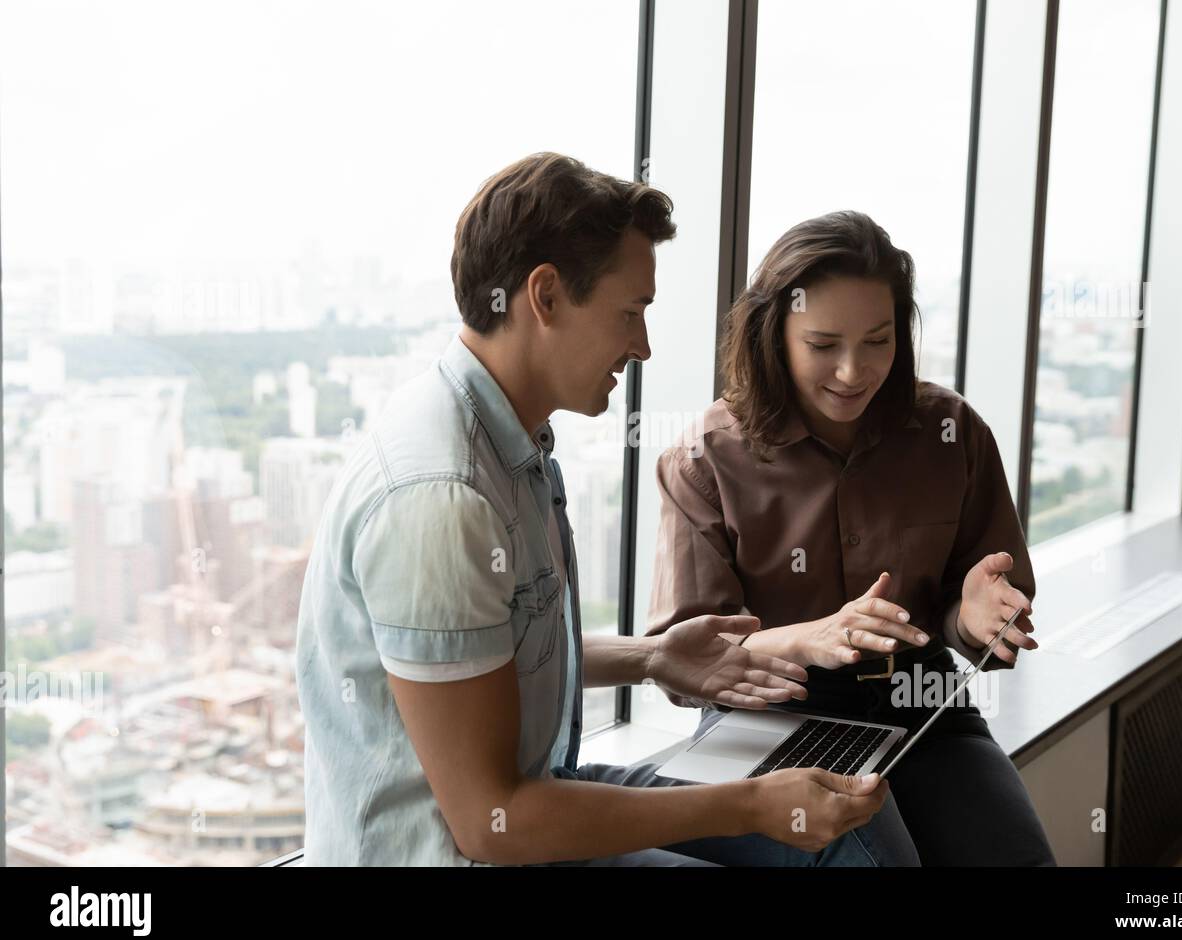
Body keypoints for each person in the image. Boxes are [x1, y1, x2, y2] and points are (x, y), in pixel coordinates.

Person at [294, 154, 918, 866]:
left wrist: (654, 658)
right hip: (476, 847)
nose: (643, 346)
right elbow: (491, 821)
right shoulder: (443, 498)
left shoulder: (507, 446)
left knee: (856, 832)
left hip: (543, 791)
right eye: (631, 312)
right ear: (547, 297)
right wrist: (751, 804)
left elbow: (487, 662)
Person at [646, 210, 1057, 865]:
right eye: (823, 344)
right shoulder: (705, 459)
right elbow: (684, 666)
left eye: (878, 340)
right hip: (770, 716)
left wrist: (975, 617)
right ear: (772, 332)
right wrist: (810, 638)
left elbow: (968, 609)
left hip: (918, 698)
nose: (852, 371)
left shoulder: (952, 432)